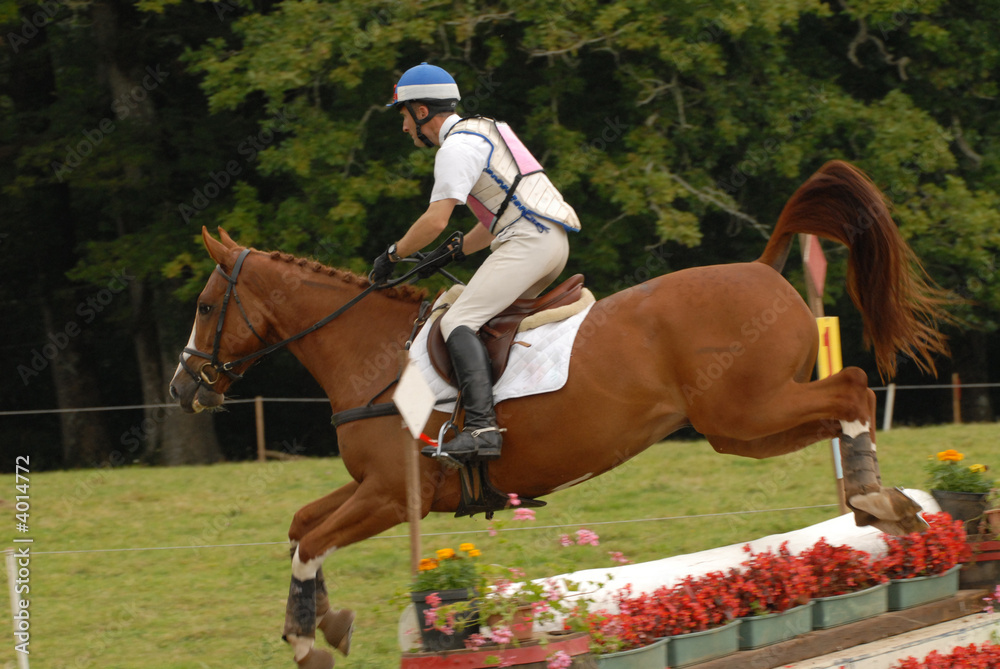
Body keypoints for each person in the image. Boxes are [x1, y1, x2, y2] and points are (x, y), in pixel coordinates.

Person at [372, 62, 581, 466]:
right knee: (484, 321)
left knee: (456, 320)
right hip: (548, 242)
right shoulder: (487, 130)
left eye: (403, 115)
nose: (403, 128)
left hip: (527, 242)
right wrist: (450, 254)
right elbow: (494, 217)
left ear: (420, 112)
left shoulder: (456, 147)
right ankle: (513, 411)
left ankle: (482, 429)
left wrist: (393, 254)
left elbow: (436, 219)